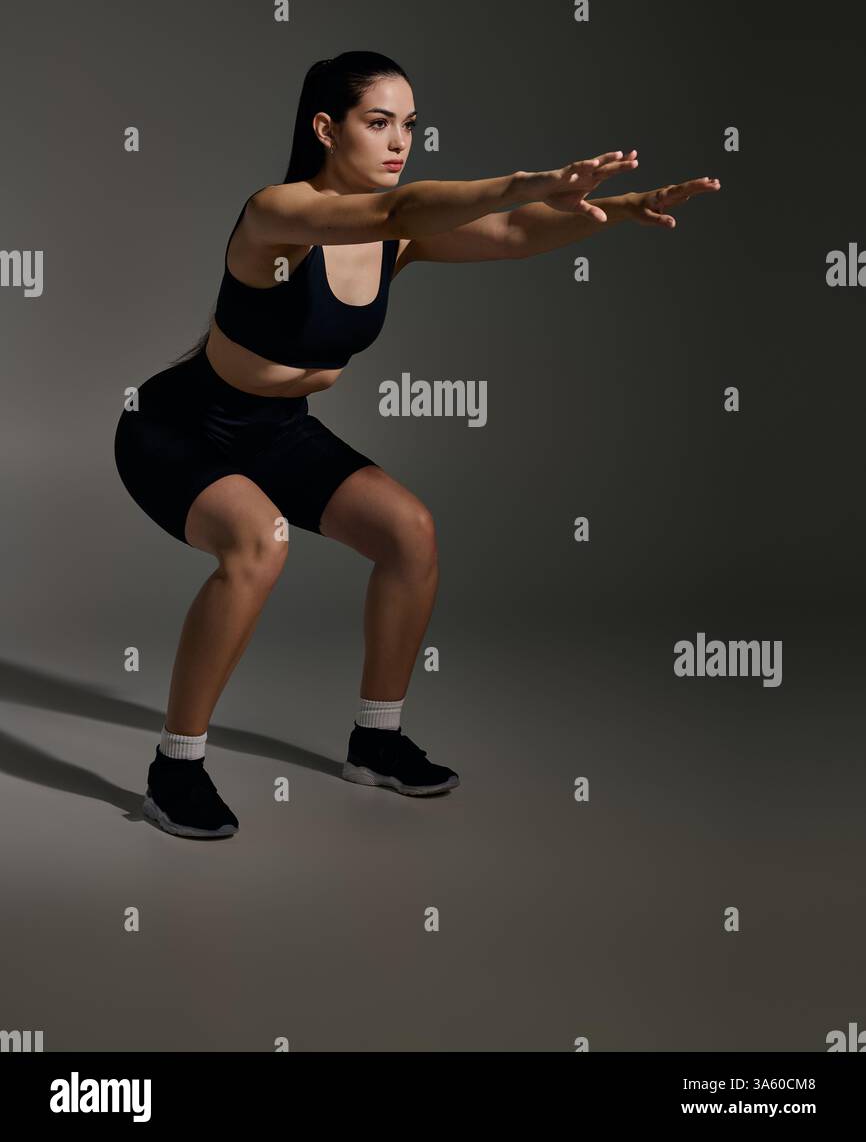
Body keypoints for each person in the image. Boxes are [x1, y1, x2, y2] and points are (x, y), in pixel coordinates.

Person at [113, 49, 720, 838]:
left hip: (277, 431)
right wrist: (534, 177)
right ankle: (176, 768)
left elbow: (505, 232)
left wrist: (622, 206)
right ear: (325, 128)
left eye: (409, 126)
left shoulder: (399, 235)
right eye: (378, 123)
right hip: (178, 427)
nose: (399, 142)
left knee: (410, 533)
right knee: (258, 545)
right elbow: (413, 210)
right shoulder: (278, 212)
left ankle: (376, 740)